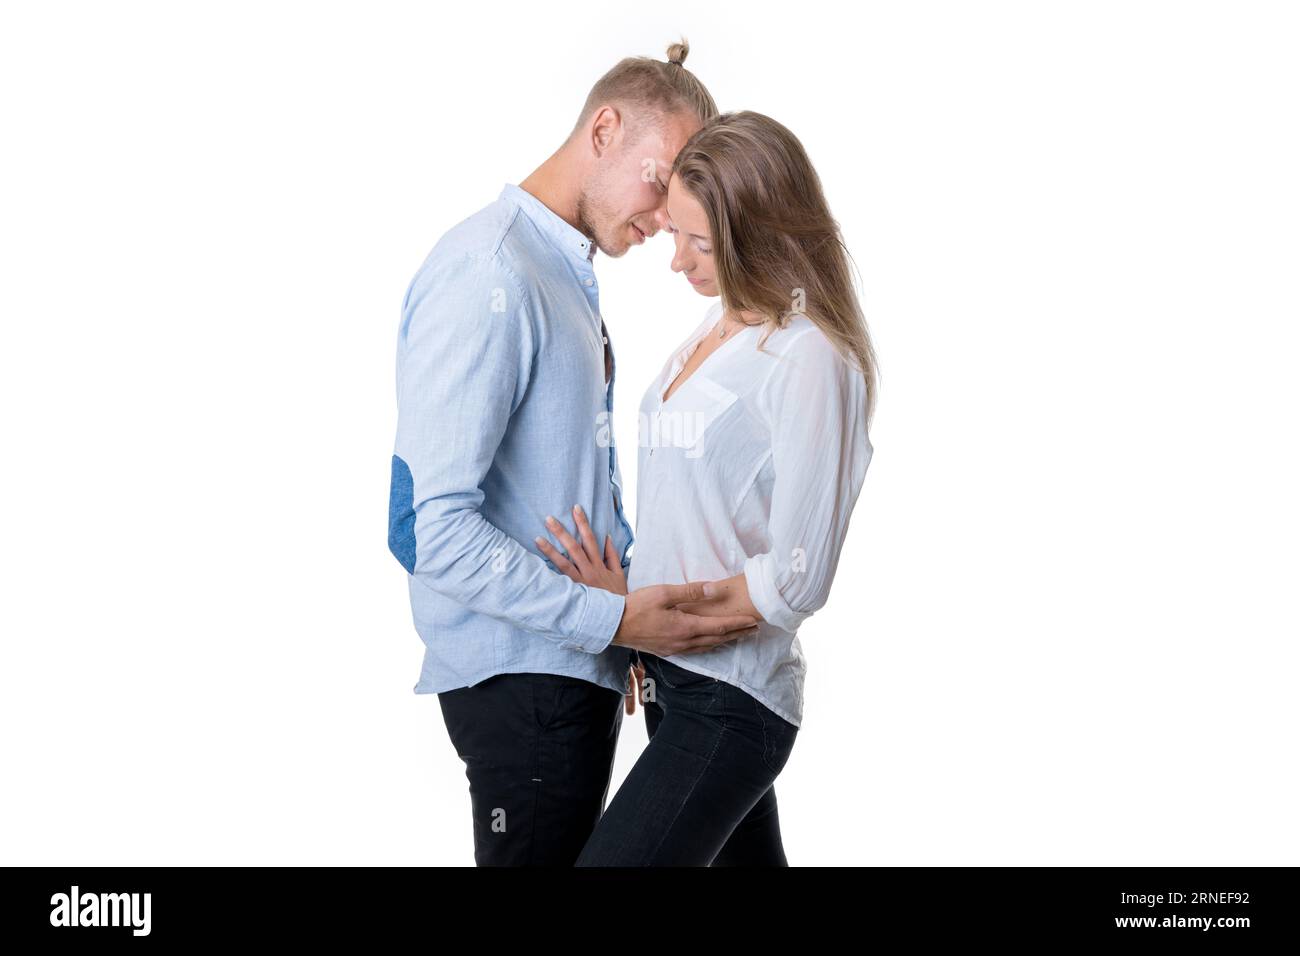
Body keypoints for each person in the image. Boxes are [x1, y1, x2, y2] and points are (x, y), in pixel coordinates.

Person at [387, 42, 761, 866]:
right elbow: (425, 527)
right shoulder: (491, 270)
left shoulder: (559, 276)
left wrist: (621, 625)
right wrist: (610, 617)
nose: (670, 217)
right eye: (663, 181)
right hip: (523, 686)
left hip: (567, 673)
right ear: (604, 129)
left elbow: (563, 482)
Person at [536, 111, 879, 865]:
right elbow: (692, 504)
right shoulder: (719, 325)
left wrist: (647, 617)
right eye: (678, 234)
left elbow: (797, 578)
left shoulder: (812, 355)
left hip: (732, 701)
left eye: (699, 242)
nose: (677, 261)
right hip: (671, 682)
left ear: (761, 229)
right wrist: (632, 599)